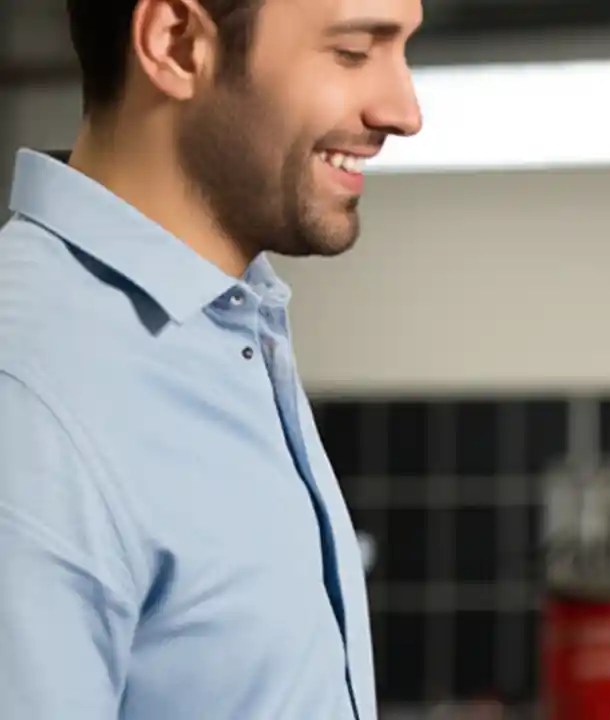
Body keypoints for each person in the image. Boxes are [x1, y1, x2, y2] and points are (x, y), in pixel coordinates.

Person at [0, 0, 422, 717]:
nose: (404, 110)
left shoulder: (230, 329)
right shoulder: (31, 395)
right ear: (175, 42)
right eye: (352, 52)